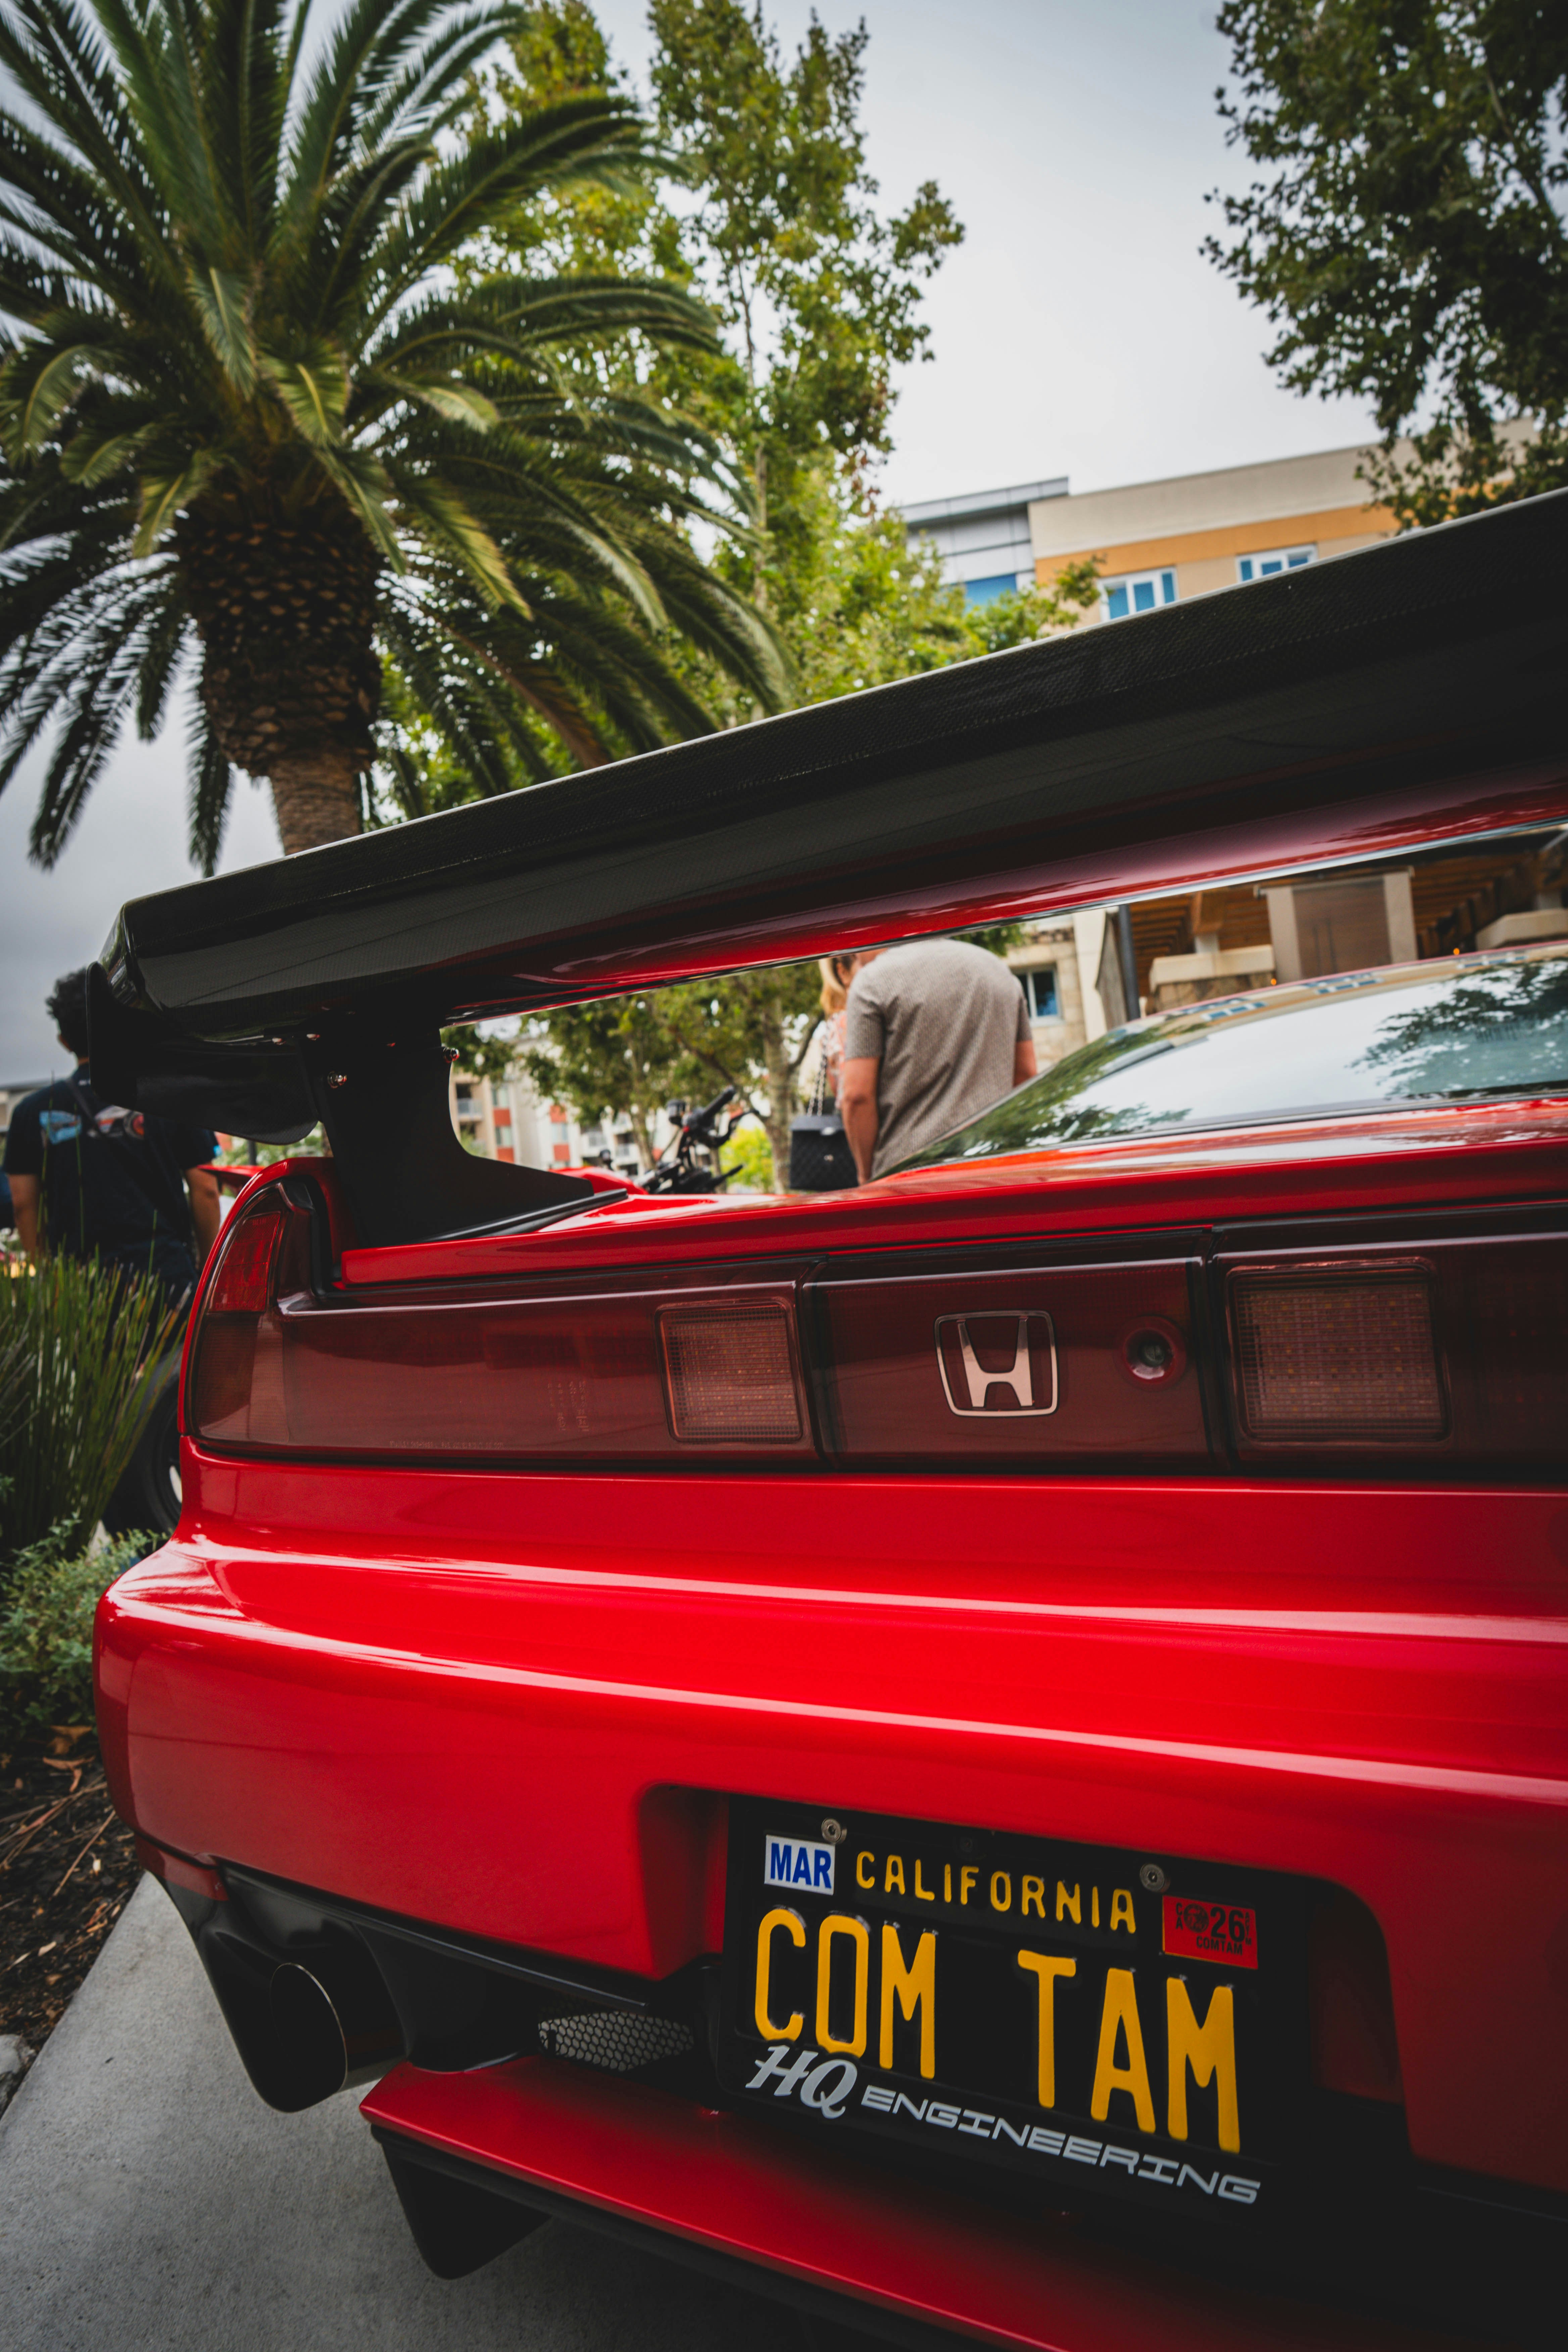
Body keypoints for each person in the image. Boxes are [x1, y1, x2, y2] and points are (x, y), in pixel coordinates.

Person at [4, 968, 221, 1307]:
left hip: (80, 1289)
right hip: (167, 1278)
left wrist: (52, 1282)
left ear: (64, 1041)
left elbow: (23, 1206)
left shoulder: (31, 1113)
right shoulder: (168, 1095)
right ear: (119, 1025)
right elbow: (206, 1188)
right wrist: (207, 1273)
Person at [839, 937, 1038, 1183]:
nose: (857, 957)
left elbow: (857, 1096)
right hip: (995, 1165)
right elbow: (1027, 1076)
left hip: (910, 1174)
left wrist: (866, 1174)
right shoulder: (1000, 972)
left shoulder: (872, 981)